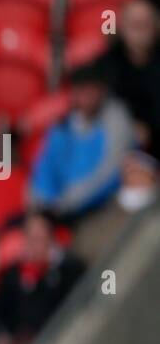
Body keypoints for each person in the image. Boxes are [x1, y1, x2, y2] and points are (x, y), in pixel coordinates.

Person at [0, 211, 85, 344]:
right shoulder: (11, 276)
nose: (34, 245)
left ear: (52, 239)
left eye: (40, 238)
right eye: (30, 238)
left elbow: (77, 315)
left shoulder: (71, 271)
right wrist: (7, 342)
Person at [29, 62, 134, 223]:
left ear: (101, 90)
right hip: (59, 210)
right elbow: (46, 166)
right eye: (80, 91)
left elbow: (109, 173)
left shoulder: (117, 122)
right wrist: (42, 202)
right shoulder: (64, 125)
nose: (85, 97)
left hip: (100, 210)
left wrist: (66, 203)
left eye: (90, 91)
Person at [93, 0, 160, 157]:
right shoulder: (105, 64)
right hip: (113, 148)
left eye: (145, 23)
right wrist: (128, 128)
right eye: (134, 24)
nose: (140, 30)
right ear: (121, 27)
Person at [72, 150, 159, 265]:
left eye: (139, 170)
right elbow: (84, 245)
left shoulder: (154, 210)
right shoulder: (109, 209)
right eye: (129, 170)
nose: (134, 176)